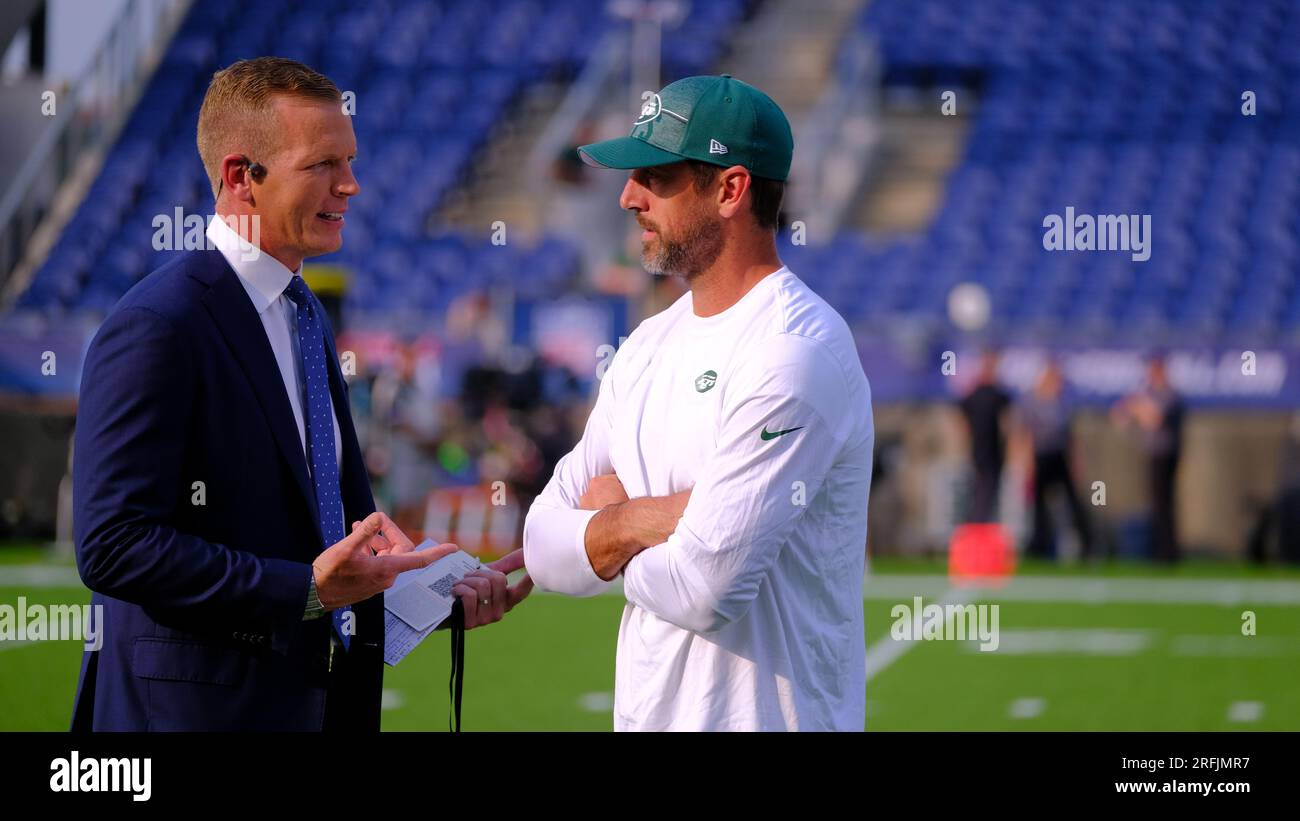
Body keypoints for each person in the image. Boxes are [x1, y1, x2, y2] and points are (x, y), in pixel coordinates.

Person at [71, 57, 529, 732]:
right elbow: (113, 544)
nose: (351, 184)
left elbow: (328, 533)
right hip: (195, 714)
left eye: (349, 160)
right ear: (239, 177)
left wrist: (424, 592)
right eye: (323, 165)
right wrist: (306, 591)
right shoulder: (158, 326)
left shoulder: (304, 313)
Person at [522, 75, 874, 731]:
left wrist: (602, 535)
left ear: (731, 189)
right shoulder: (646, 345)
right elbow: (541, 546)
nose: (627, 196)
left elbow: (706, 588)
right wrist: (652, 520)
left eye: (654, 176)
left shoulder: (795, 350)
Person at [1112, 354, 1185, 563]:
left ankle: (1167, 552)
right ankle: (1160, 550)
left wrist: (1137, 407)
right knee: (1156, 504)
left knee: (1165, 504)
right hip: (1153, 454)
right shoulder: (1150, 394)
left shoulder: (1170, 395)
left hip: (1165, 455)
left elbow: (1154, 419)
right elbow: (1121, 416)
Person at [1018, 360, 1092, 559]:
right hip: (1041, 456)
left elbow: (1071, 437)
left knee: (1073, 503)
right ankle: (1039, 546)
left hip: (1059, 456)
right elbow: (1026, 434)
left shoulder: (1062, 403)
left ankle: (1087, 545)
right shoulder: (1032, 402)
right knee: (1039, 507)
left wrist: (1077, 461)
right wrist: (1028, 461)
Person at [958, 349, 1012, 523]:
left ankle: (980, 528)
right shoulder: (977, 396)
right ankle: (976, 529)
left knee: (986, 496)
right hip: (982, 454)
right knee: (983, 495)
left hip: (993, 454)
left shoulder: (999, 395)